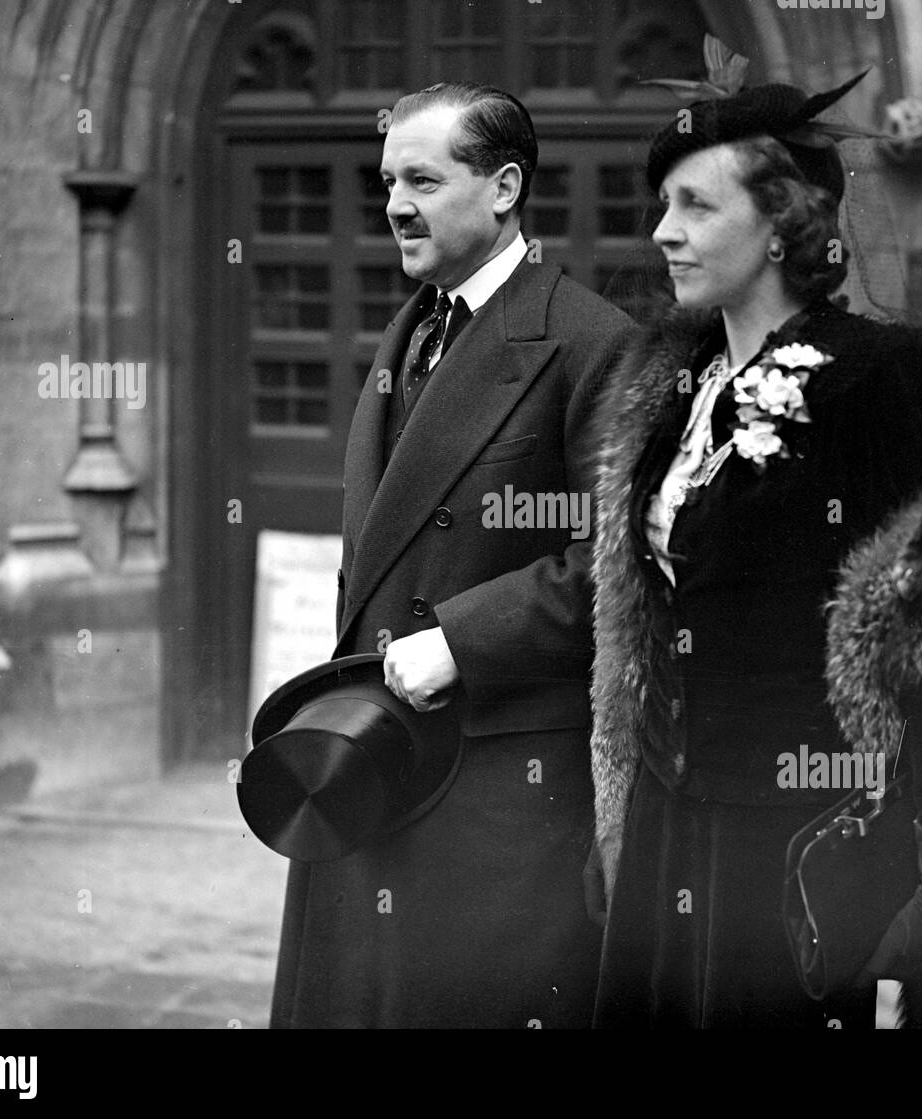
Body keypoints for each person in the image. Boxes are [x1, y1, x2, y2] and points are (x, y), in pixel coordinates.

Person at [586, 76, 922, 1028]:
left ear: (782, 224)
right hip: (671, 821)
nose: (663, 230)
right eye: (662, 205)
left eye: (696, 205)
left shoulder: (884, 375)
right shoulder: (670, 385)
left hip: (799, 839)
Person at [269, 81, 637, 1028]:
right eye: (388, 180)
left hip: (492, 784)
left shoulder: (592, 342)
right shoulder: (415, 328)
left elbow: (616, 561)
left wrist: (461, 641)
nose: (393, 203)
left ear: (505, 186)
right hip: (371, 757)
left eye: (423, 180)